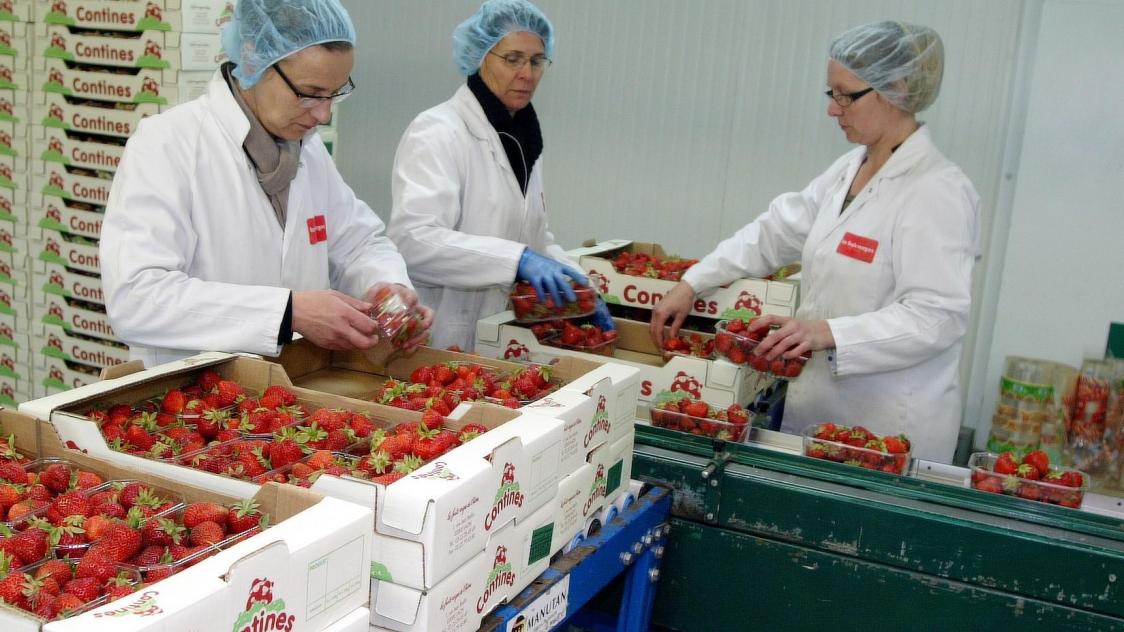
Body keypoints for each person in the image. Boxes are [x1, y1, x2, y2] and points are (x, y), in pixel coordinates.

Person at [650, 22, 980, 463]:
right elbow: (774, 232)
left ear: (896, 88)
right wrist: (694, 282)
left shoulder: (937, 192)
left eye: (845, 95)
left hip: (890, 430)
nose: (833, 109)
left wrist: (826, 333)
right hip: (819, 413)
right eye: (832, 94)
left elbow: (937, 316)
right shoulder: (849, 169)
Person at [100, 0, 431, 367]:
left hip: (292, 390)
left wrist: (387, 288)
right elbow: (136, 298)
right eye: (309, 93)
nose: (322, 114)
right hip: (193, 397)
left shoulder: (307, 147)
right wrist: (287, 314)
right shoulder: (169, 144)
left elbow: (357, 243)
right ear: (254, 58)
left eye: (334, 93)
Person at [387, 0, 613, 351]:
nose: (527, 73)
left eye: (537, 61)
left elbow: (530, 234)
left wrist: (577, 282)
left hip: (504, 337)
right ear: (479, 55)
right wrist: (517, 260)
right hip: (443, 337)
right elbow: (414, 240)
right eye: (513, 59)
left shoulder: (522, 135)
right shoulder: (437, 131)